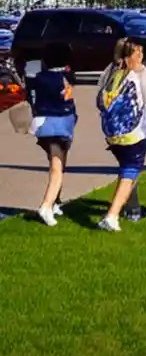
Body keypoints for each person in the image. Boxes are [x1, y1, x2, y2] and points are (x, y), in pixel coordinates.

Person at [94, 38, 146, 231]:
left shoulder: (109, 73)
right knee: (129, 172)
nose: (140, 56)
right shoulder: (143, 75)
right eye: (135, 53)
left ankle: (133, 209)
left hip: (113, 134)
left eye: (141, 52)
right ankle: (112, 216)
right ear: (126, 56)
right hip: (135, 134)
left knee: (129, 170)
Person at [26, 42, 76, 226]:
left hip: (42, 124)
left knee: (58, 161)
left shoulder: (38, 77)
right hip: (61, 124)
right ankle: (46, 206)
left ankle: (55, 201)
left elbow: (29, 93)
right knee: (57, 167)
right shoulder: (67, 77)